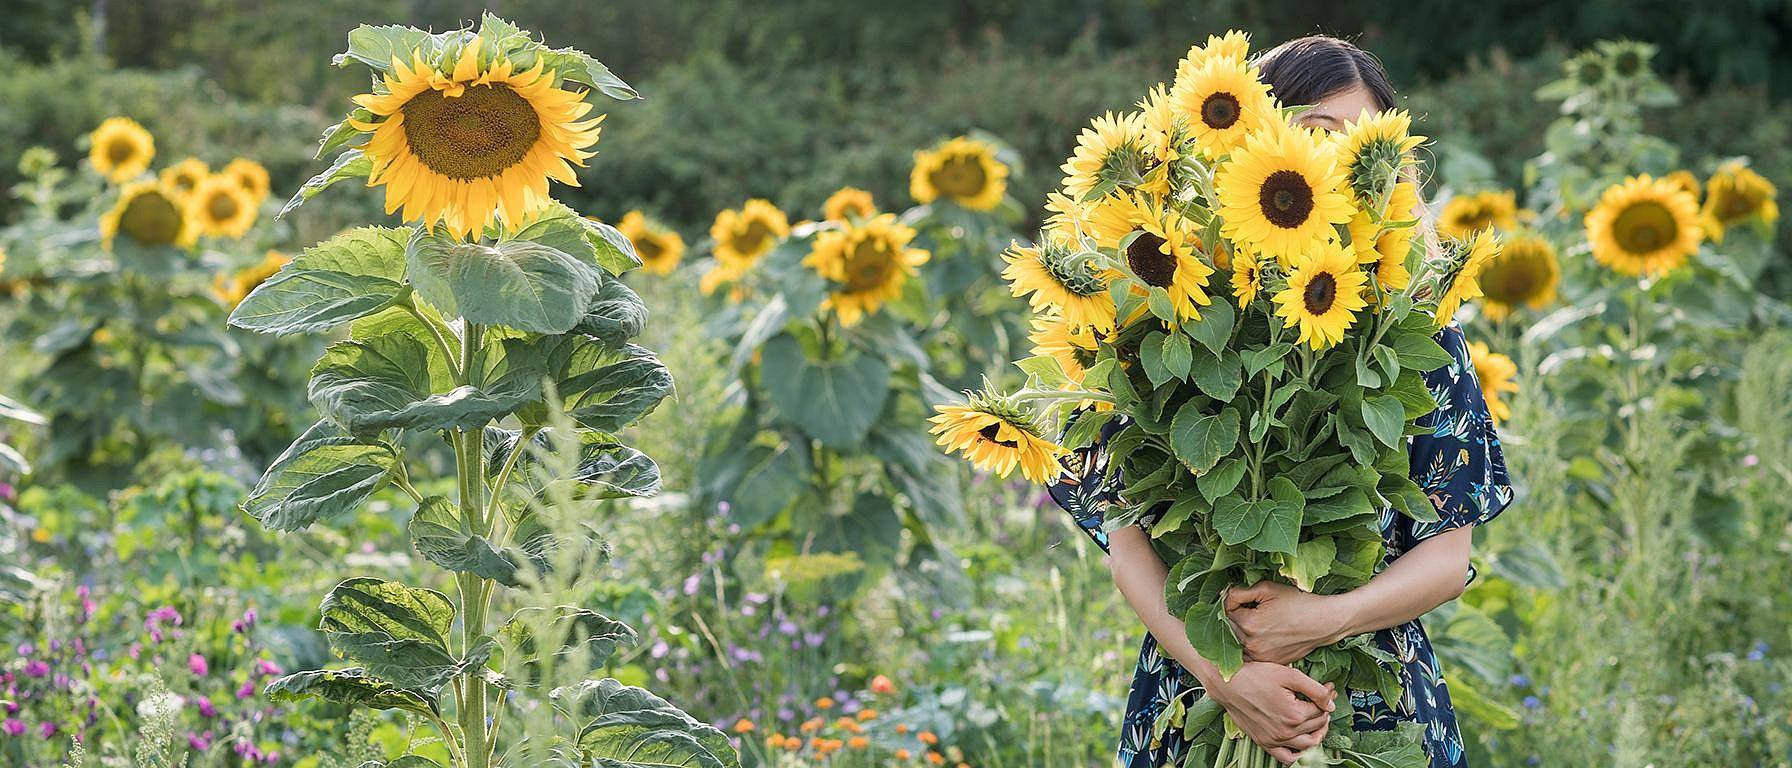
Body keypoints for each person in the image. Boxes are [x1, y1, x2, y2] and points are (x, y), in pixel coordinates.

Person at [1048, 35, 1515, 768]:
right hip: (1201, 687)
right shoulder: (1165, 318)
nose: (1334, 167)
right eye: (1314, 137)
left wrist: (1319, 620)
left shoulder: (1414, 331)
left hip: (1369, 699)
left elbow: (1449, 556)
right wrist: (1231, 676)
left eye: (1361, 148)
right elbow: (1128, 538)